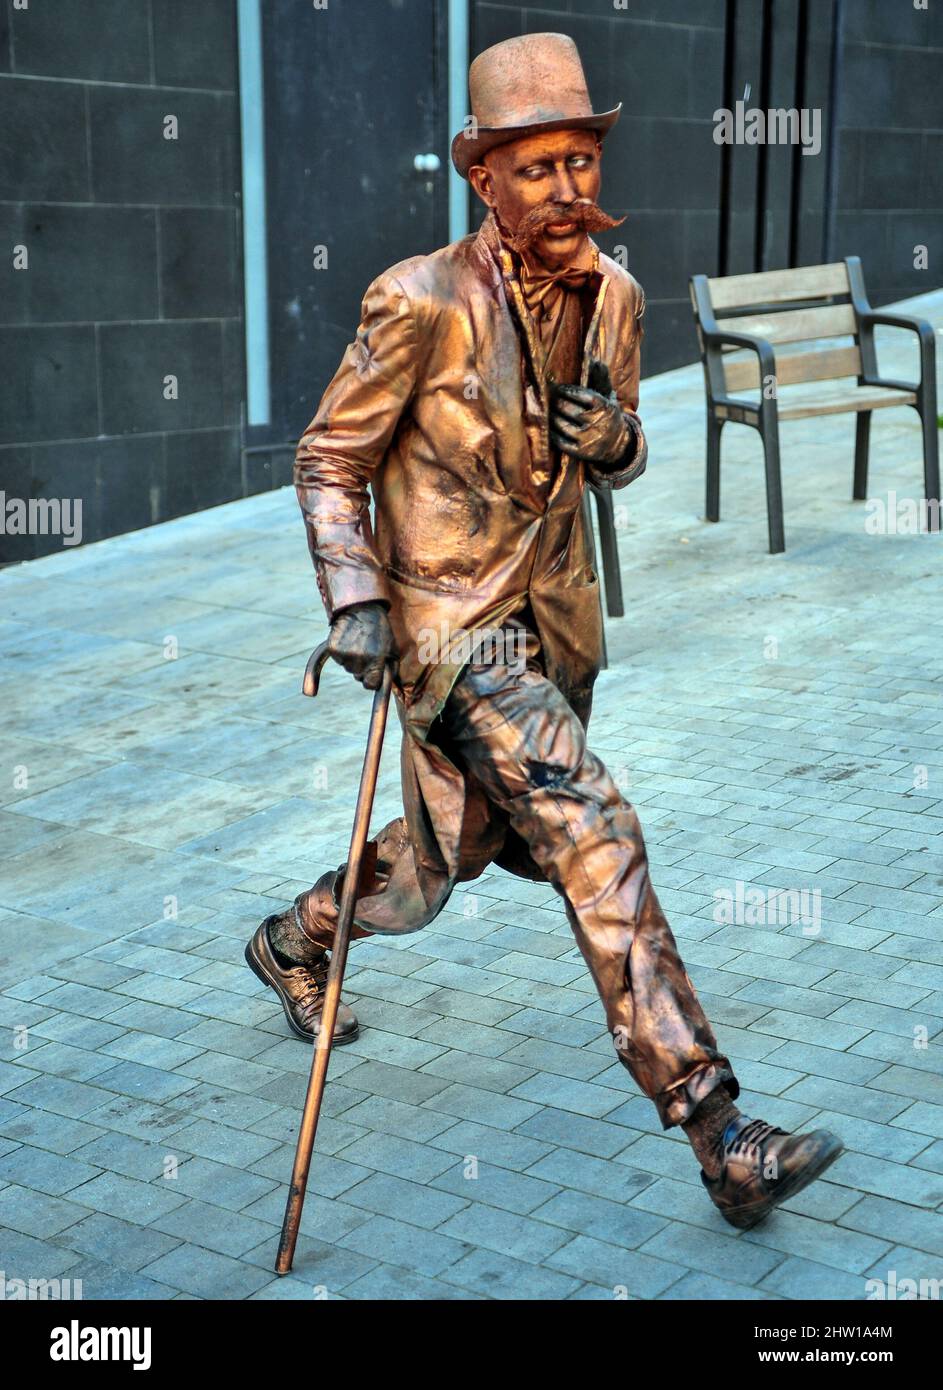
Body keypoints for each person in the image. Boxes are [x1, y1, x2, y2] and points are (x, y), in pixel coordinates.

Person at [245, 33, 842, 1230]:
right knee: (594, 825)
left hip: (554, 622)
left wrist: (610, 441)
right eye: (538, 168)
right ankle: (719, 1129)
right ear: (484, 180)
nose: (568, 188)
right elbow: (327, 457)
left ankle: (294, 932)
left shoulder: (614, 296)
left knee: (437, 864)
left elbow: (622, 448)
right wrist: (356, 601)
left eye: (580, 161)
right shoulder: (415, 300)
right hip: (453, 628)